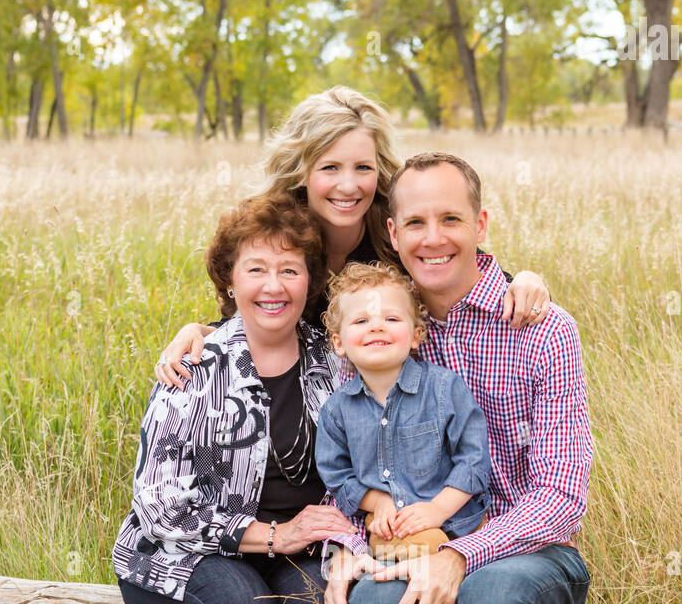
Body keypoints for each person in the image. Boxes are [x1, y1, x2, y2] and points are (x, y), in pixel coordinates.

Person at [323, 152, 593, 604]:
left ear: (481, 223)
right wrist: (348, 552)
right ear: (393, 232)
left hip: (531, 551)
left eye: (450, 219)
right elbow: (352, 460)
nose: (433, 237)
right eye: (415, 222)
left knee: (491, 600)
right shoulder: (386, 326)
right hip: (412, 544)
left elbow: (561, 497)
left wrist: (464, 554)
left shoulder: (541, 327)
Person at [112, 194, 358, 604]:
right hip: (183, 557)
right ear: (228, 280)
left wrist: (344, 553)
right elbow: (162, 504)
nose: (273, 286)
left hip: (299, 554)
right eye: (256, 269)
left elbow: (368, 471)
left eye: (290, 269)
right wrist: (273, 535)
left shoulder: (335, 363)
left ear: (310, 278)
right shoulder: (196, 365)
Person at [152, 86, 552, 391]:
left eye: (362, 167)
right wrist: (202, 331)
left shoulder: (394, 228)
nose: (348, 185)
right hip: (311, 405)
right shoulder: (278, 234)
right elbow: (256, 313)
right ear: (302, 171)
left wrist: (525, 279)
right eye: (329, 167)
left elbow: (462, 267)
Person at [315, 261, 498, 604]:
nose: (376, 326)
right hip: (387, 537)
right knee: (398, 574)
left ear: (416, 334)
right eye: (361, 320)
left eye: (391, 317)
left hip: (454, 530)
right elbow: (338, 476)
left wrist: (431, 510)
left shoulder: (444, 389)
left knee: (426, 552)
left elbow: (473, 463)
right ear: (340, 343)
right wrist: (378, 504)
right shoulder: (337, 410)